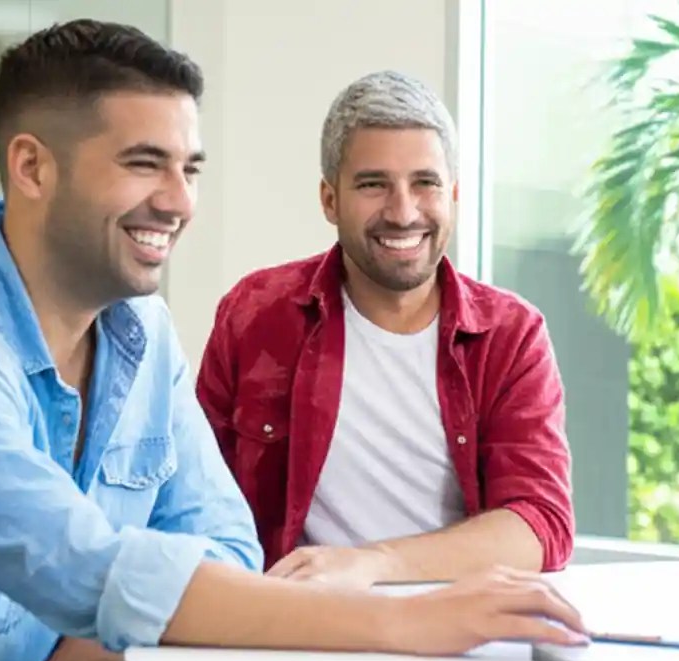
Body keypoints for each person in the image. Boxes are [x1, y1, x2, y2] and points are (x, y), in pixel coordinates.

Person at [0, 22, 585, 661]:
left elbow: (224, 539)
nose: (181, 201)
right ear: (32, 166)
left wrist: (112, 635)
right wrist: (410, 616)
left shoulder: (142, 336)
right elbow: (88, 568)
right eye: (143, 164)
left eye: (189, 168)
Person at [197, 70, 575, 587]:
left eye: (425, 183)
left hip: (454, 628)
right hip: (291, 624)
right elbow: (193, 499)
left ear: (454, 195)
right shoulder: (256, 314)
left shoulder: (511, 336)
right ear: (329, 200)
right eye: (374, 184)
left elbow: (540, 523)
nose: (403, 212)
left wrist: (375, 563)